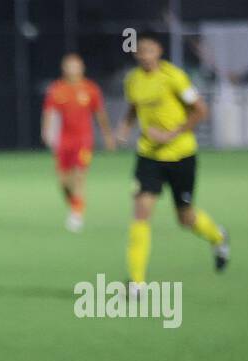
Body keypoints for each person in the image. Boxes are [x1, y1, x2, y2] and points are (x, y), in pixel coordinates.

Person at [116, 32, 229, 285]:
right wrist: (124, 129)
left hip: (181, 155)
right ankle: (136, 282)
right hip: (149, 155)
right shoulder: (133, 80)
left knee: (185, 218)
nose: (145, 55)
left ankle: (218, 237)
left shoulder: (174, 77)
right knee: (141, 211)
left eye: (150, 50)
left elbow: (201, 109)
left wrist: (172, 134)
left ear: (159, 52)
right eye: (141, 51)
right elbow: (133, 108)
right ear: (136, 53)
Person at [42, 54, 114, 232]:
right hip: (63, 141)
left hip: (83, 140)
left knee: (79, 176)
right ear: (63, 68)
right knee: (63, 183)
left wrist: (107, 135)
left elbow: (100, 114)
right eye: (69, 66)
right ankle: (74, 205)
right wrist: (46, 131)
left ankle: (77, 213)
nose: (72, 69)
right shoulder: (57, 89)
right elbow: (49, 112)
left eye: (76, 66)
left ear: (82, 68)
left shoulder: (90, 89)